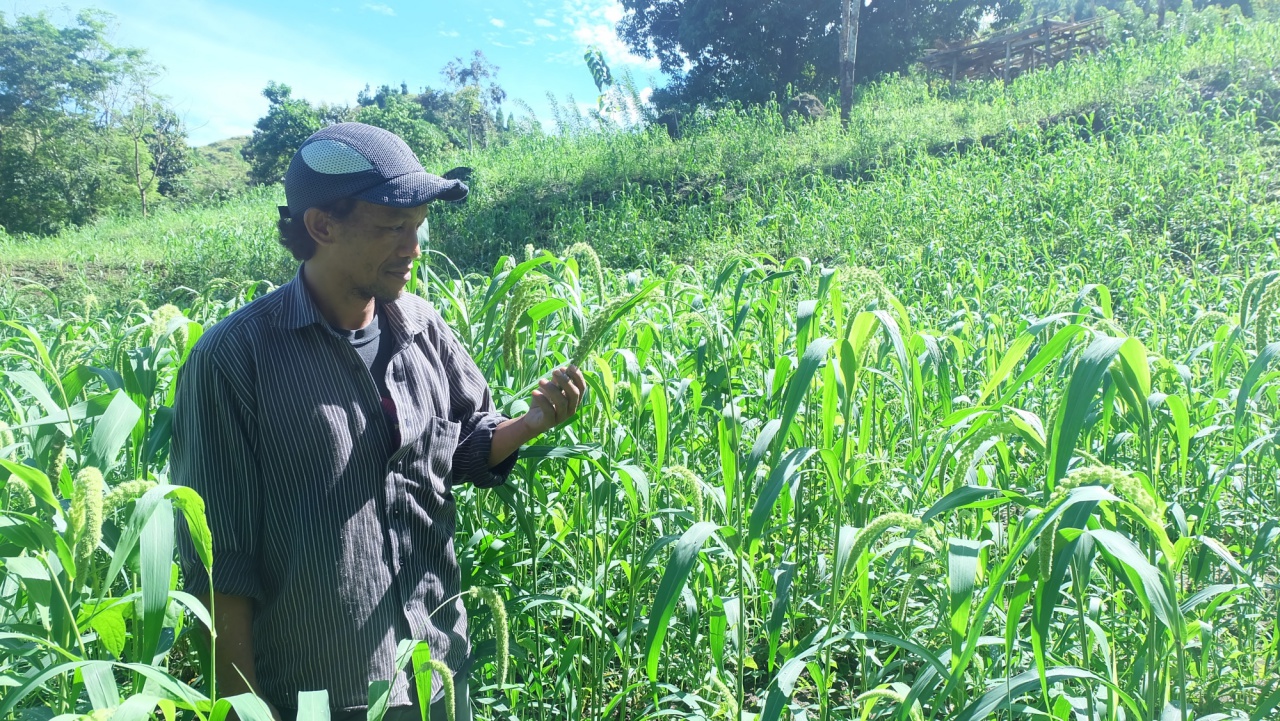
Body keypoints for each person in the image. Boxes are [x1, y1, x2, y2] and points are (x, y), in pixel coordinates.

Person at [173, 122, 586, 721]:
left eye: (418, 227)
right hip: (319, 694)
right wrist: (240, 711)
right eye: (393, 227)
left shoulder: (421, 327)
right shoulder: (234, 361)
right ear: (321, 226)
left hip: (438, 667)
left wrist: (530, 423)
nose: (413, 248)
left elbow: (464, 447)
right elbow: (219, 566)